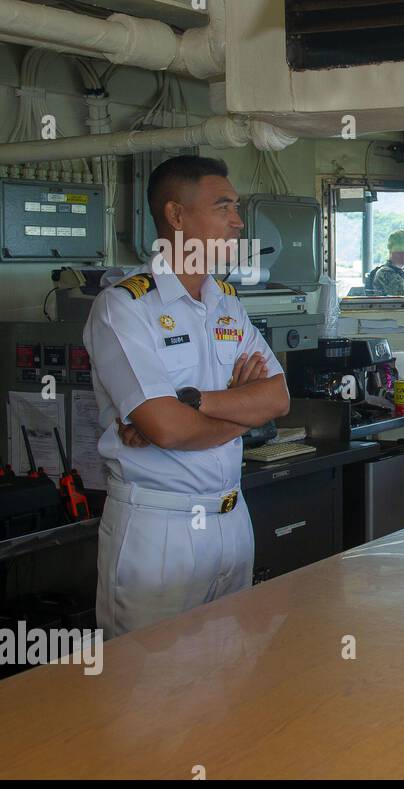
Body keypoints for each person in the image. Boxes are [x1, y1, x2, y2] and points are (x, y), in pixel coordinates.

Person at [82, 155, 290, 639]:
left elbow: (278, 398)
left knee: (230, 687)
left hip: (232, 519)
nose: (239, 222)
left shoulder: (226, 302)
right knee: (151, 695)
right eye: (224, 207)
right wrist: (242, 407)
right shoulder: (124, 308)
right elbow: (167, 430)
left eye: (236, 208)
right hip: (160, 528)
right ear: (176, 217)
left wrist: (196, 403)